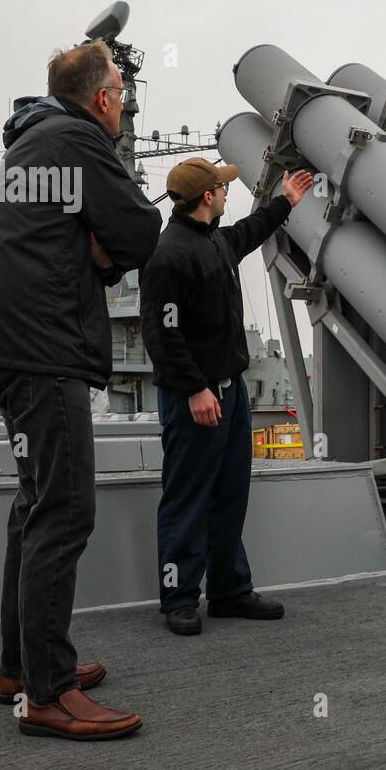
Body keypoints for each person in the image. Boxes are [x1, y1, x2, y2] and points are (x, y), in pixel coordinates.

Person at [0, 39, 161, 740]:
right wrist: (102, 248)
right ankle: (47, 692)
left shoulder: (34, 141)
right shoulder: (77, 138)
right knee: (65, 510)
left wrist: (93, 245)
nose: (124, 103)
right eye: (121, 93)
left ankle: (22, 667)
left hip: (2, 347)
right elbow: (139, 232)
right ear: (102, 96)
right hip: (44, 349)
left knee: (34, 504)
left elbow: (90, 239)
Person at [140, 158, 312, 635]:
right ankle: (178, 598)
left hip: (230, 393)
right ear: (207, 197)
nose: (226, 193)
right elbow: (161, 334)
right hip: (193, 397)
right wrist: (194, 388)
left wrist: (285, 203)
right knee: (188, 498)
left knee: (230, 493)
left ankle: (229, 590)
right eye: (222, 188)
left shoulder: (214, 239)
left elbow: (248, 232)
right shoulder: (170, 255)